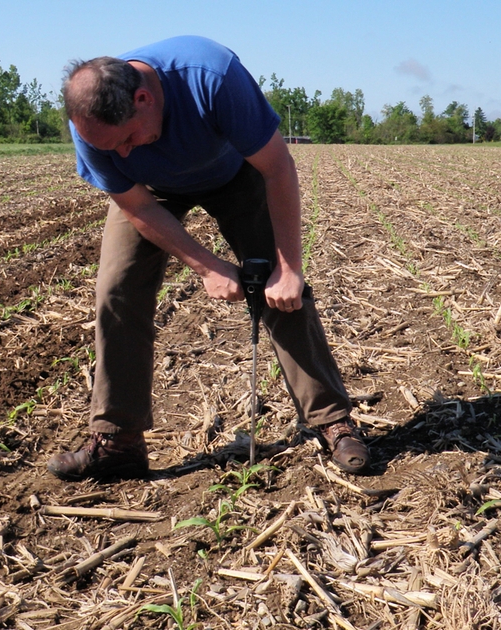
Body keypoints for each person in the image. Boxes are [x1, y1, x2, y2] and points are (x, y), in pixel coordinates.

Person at [47, 35, 369, 480]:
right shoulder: (94, 130)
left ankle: (332, 420)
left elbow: (277, 167)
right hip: (153, 194)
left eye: (126, 139)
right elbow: (138, 207)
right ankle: (118, 440)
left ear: (143, 99)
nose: (120, 153)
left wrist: (289, 268)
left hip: (236, 172)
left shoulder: (211, 78)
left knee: (278, 284)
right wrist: (207, 266)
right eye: (109, 149)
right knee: (116, 289)